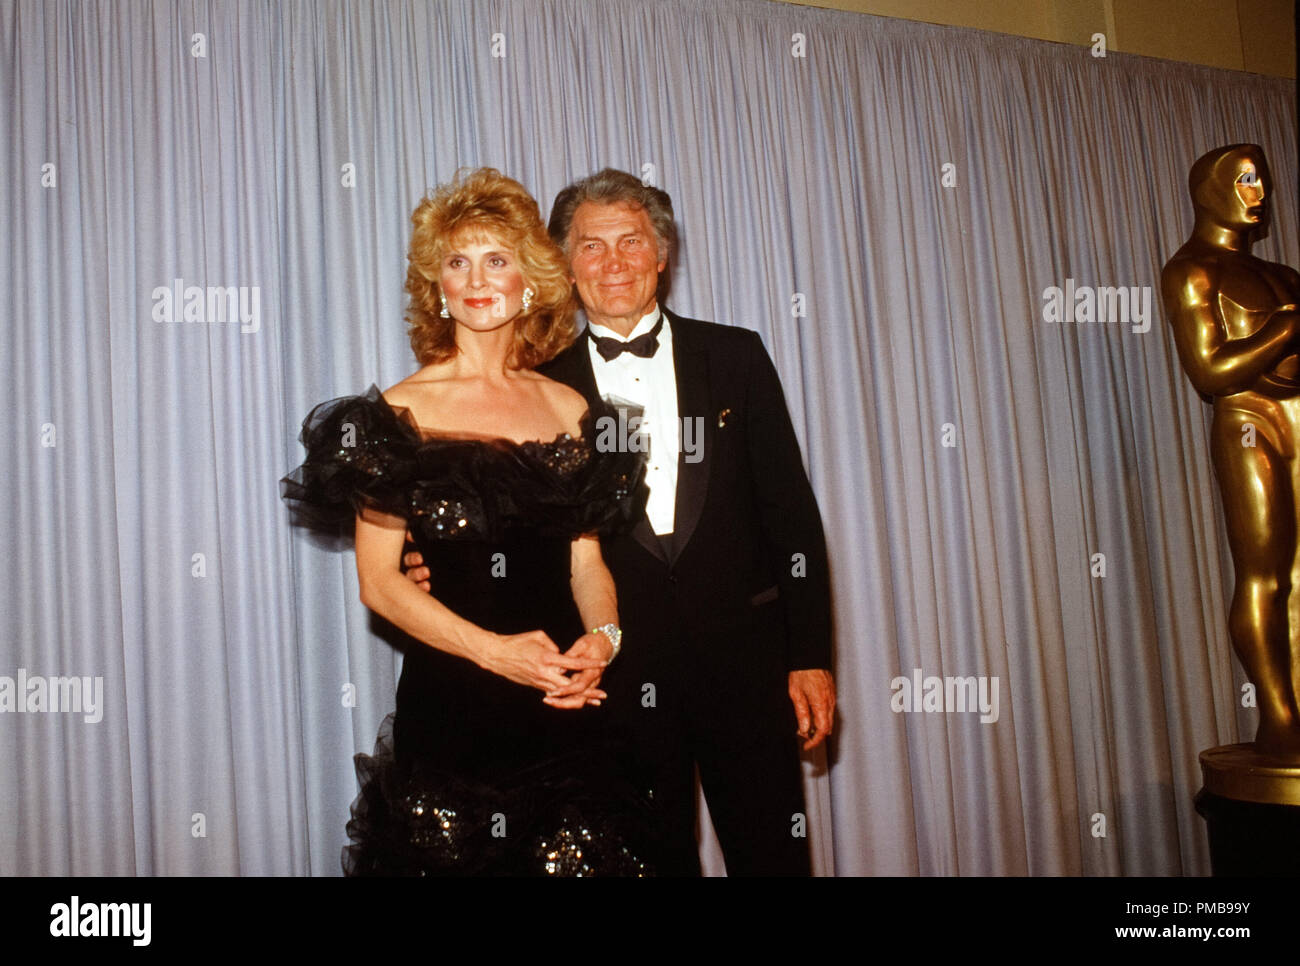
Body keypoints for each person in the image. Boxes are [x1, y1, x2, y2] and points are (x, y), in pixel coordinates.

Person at [405, 169, 836, 874]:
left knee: (774, 857)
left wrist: (809, 653)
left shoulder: (736, 357)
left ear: (661, 254)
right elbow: (484, 518)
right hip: (612, 678)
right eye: (592, 246)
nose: (614, 263)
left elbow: (791, 515)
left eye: (631, 242)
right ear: (563, 266)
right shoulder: (538, 388)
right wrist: (421, 560)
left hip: (745, 670)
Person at [282, 167, 654, 875]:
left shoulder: (573, 411)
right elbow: (381, 585)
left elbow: (587, 564)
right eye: (458, 262)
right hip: (452, 716)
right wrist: (495, 653)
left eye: (496, 259)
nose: (477, 279)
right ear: (438, 286)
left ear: (533, 281)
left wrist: (602, 644)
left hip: (567, 709)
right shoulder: (394, 416)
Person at [1162, 143, 1300, 757]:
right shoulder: (1193, 271)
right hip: (1249, 421)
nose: (1258, 194)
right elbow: (1210, 372)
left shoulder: (1286, 276)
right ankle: (1278, 716)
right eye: (1245, 181)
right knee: (1265, 577)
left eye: (1262, 182)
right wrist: (1284, 330)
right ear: (1211, 188)